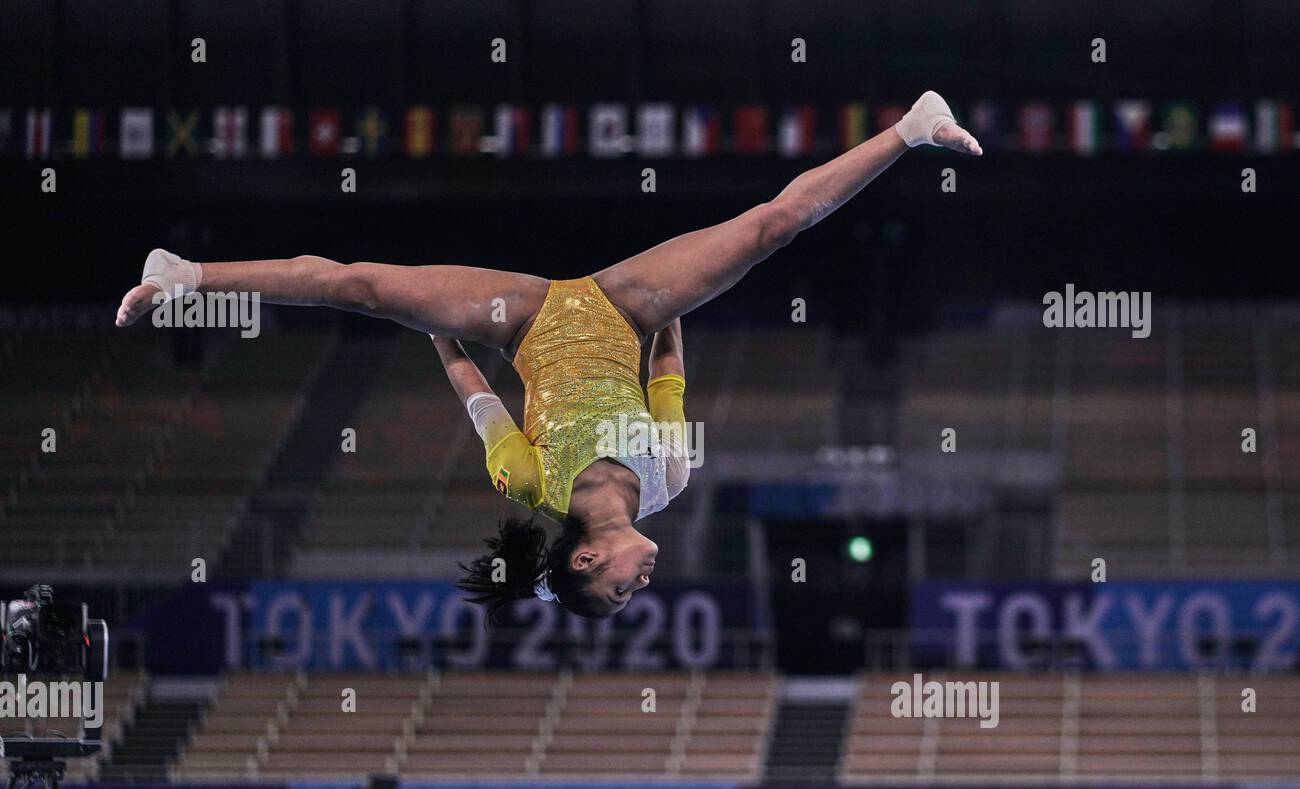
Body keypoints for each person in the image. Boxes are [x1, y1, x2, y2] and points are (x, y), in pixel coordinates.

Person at [116, 92, 980, 622]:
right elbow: (668, 373)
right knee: (767, 229)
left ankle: (186, 273)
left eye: (615, 593)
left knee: (364, 287)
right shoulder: (673, 477)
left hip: (522, 322)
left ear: (583, 560)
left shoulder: (530, 483)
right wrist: (673, 301)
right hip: (627, 306)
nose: (637, 587)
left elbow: (474, 394)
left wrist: (437, 323)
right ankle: (912, 128)